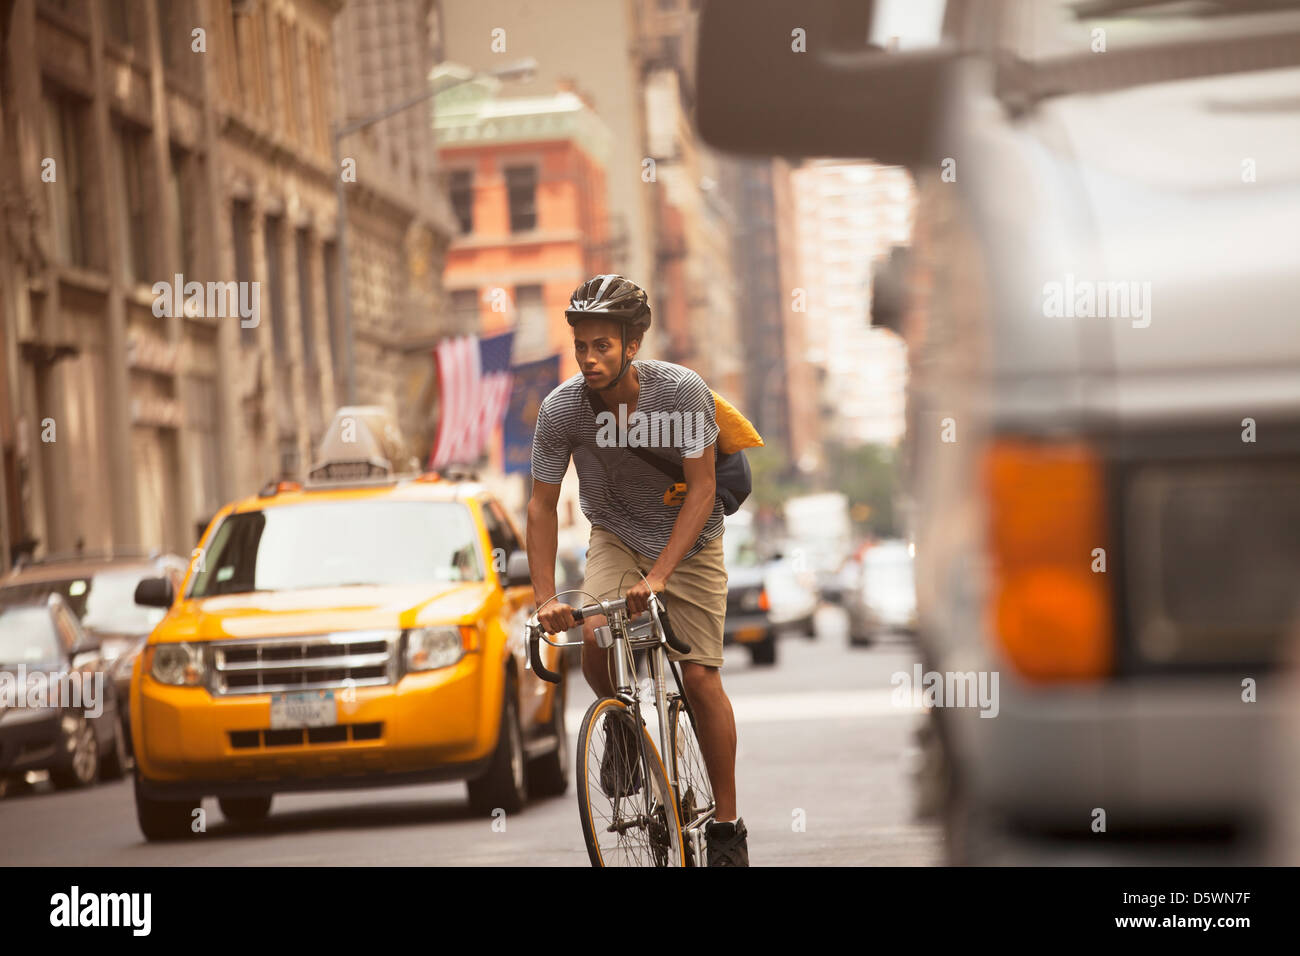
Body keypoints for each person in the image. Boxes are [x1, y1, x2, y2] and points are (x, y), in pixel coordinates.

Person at [526, 274, 749, 866]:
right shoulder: (562, 410)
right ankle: (623, 724)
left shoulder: (681, 392)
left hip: (690, 538)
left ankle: (727, 826)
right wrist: (546, 597)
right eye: (582, 346)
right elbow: (541, 506)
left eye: (603, 345)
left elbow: (704, 490)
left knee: (700, 678)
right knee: (595, 632)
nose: (590, 358)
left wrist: (662, 577)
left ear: (633, 344)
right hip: (616, 535)